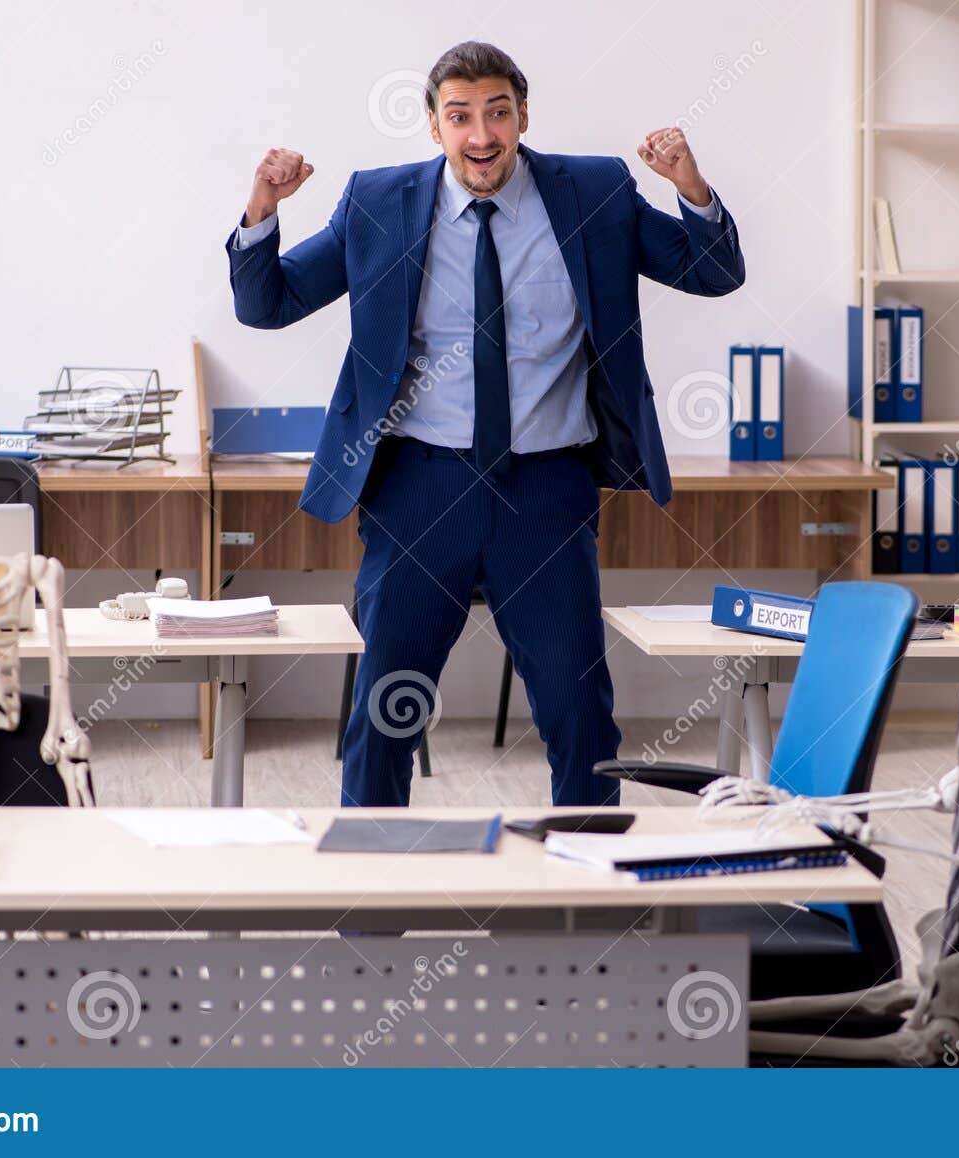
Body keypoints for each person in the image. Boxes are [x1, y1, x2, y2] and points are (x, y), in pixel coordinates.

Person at [226, 40, 745, 807]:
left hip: (546, 491)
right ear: (433, 126)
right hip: (415, 488)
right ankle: (375, 893)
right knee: (385, 708)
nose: (481, 135)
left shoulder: (594, 192)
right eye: (460, 116)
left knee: (578, 711)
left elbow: (714, 272)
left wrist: (690, 187)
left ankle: (584, 887)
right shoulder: (377, 201)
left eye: (498, 113)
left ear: (523, 115)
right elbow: (267, 305)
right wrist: (263, 210)